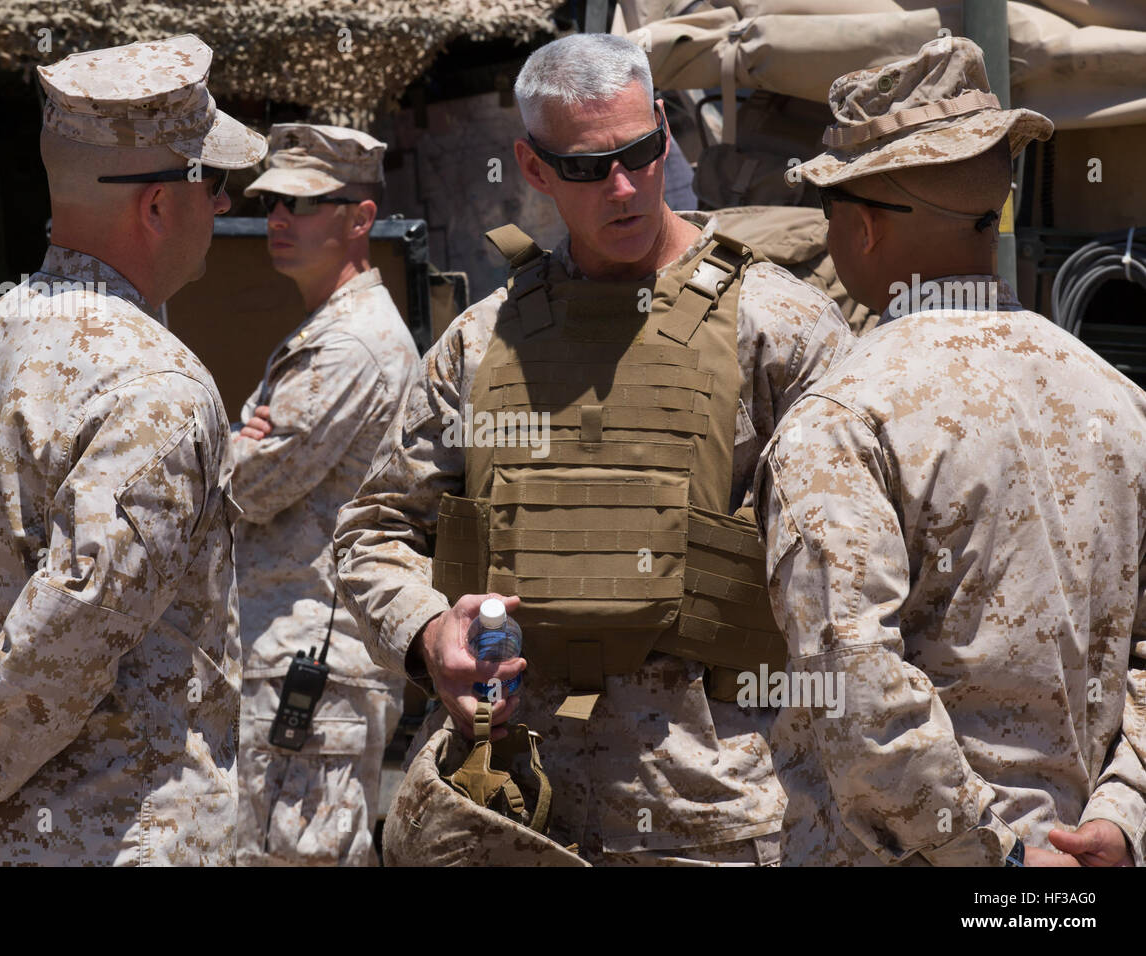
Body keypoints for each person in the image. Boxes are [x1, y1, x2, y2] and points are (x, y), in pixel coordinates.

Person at [335, 32, 853, 866]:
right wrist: (432, 636)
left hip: (710, 806)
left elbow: (865, 568)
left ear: (663, 130)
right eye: (584, 167)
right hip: (506, 805)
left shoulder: (778, 329)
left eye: (639, 153)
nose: (622, 187)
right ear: (532, 168)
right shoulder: (479, 344)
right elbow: (374, 530)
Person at [0, 33, 266, 866]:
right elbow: (65, 634)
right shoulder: (160, 386)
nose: (221, 208)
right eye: (211, 183)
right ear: (157, 204)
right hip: (122, 839)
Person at [754, 35, 1144, 867]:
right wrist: (1121, 817)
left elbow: (857, 691)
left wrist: (997, 859)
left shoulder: (841, 419)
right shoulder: (1121, 401)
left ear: (860, 228)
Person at [230, 124, 417, 866]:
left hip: (312, 662)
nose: (279, 220)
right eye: (273, 202)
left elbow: (254, 484)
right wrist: (243, 439)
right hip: (297, 657)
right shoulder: (327, 330)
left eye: (303, 204)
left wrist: (226, 443)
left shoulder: (349, 344)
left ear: (360, 219)